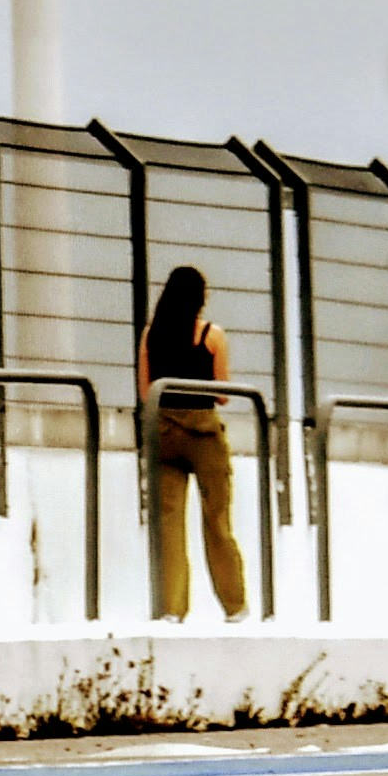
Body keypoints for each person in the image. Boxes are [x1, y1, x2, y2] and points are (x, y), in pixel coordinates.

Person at [145, 264, 250, 621]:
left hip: (164, 435)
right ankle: (235, 606)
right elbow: (222, 395)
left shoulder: (151, 335)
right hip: (203, 435)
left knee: (169, 524)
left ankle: (172, 609)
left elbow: (146, 392)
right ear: (201, 298)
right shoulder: (211, 335)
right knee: (217, 520)